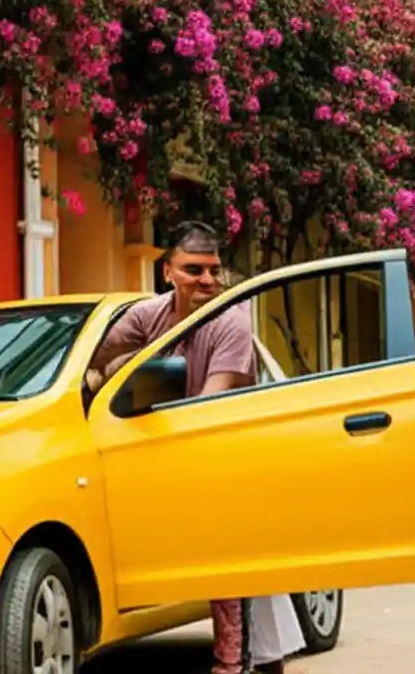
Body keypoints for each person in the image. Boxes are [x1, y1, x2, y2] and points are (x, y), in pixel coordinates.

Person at [86, 220, 305, 674]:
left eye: (213, 270)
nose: (207, 280)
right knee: (249, 589)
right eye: (194, 270)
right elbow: (95, 359)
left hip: (222, 455)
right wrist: (96, 377)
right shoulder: (149, 315)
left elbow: (209, 404)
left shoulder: (230, 322)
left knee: (232, 574)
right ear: (168, 272)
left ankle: (233, 664)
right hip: (165, 456)